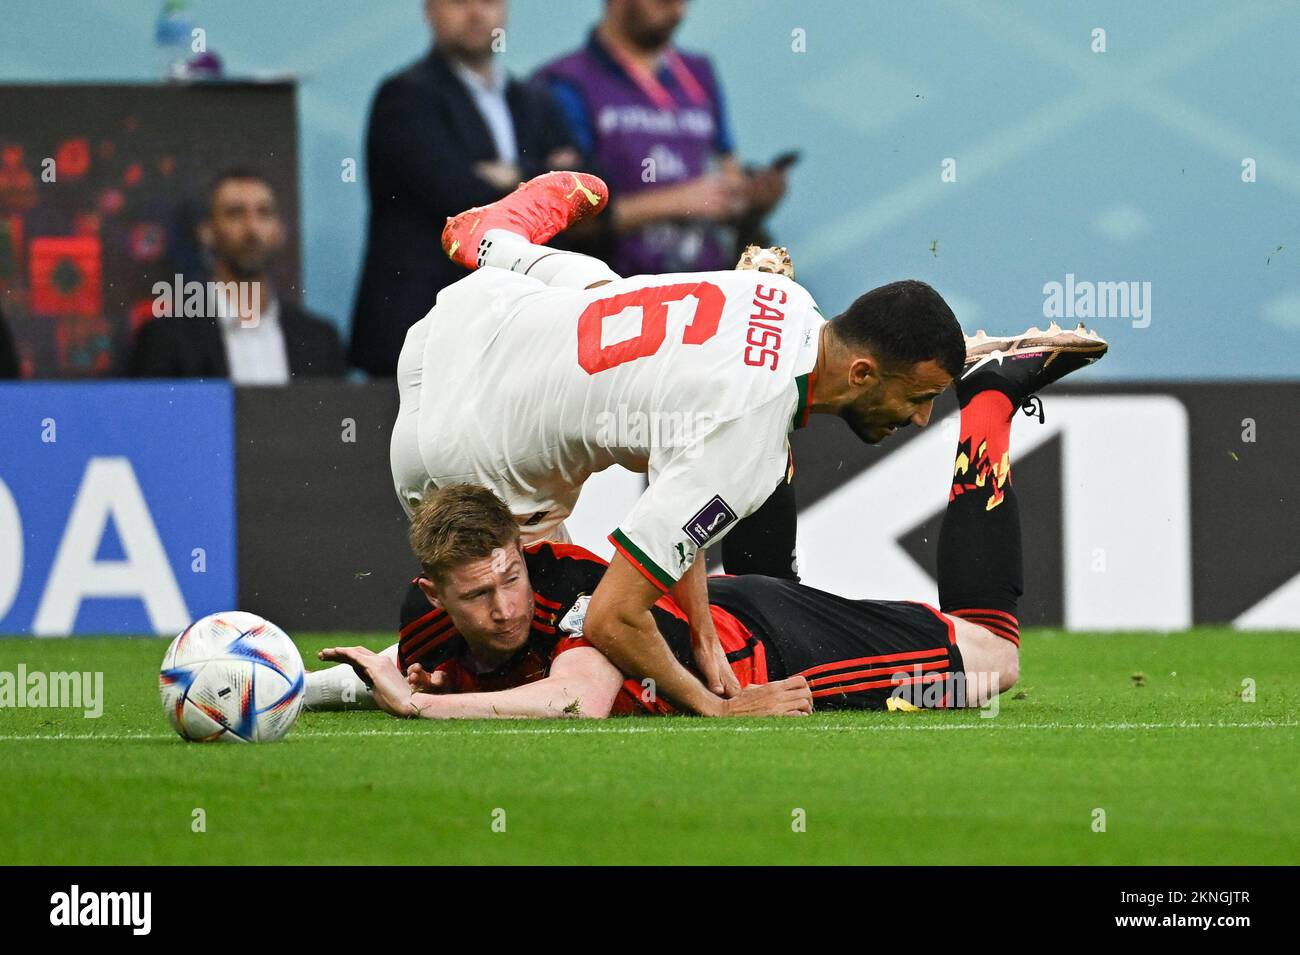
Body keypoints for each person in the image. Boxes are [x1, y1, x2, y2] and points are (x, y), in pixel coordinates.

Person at [381, 171, 1106, 718]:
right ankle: (989, 400)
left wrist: (697, 627)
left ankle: (496, 243)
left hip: (464, 325)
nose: (918, 421)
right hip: (460, 457)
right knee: (989, 664)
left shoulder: (783, 301)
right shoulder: (748, 436)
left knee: (606, 297)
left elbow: (673, 495)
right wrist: (717, 703)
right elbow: (609, 616)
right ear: (860, 369)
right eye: (918, 399)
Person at [315, 324, 1108, 718]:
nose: (505, 606)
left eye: (511, 578)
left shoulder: (578, 594)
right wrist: (309, 688)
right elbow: (391, 661)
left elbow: (574, 700)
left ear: (528, 550)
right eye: (478, 596)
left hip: (768, 656)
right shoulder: (425, 624)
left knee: (991, 663)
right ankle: (764, 399)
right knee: (720, 469)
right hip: (720, 607)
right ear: (435, 595)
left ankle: (992, 395)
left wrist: (422, 704)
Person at [348, 0, 581, 376]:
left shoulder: (535, 99)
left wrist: (510, 173)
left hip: (516, 329)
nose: (475, 13)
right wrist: (543, 174)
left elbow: (583, 182)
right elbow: (458, 196)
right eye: (459, 1)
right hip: (423, 329)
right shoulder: (405, 96)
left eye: (488, 1)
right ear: (430, 10)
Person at [533, 0, 788, 277]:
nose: (678, 11)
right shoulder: (563, 84)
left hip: (708, 287)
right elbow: (568, 219)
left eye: (684, 2)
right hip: (614, 291)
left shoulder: (699, 74)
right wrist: (681, 201)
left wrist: (749, 199)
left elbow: (728, 171)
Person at [128, 170, 344, 382]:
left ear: (280, 230)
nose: (252, 229)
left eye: (264, 213)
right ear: (207, 231)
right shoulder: (165, 339)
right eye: (235, 213)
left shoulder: (319, 340)